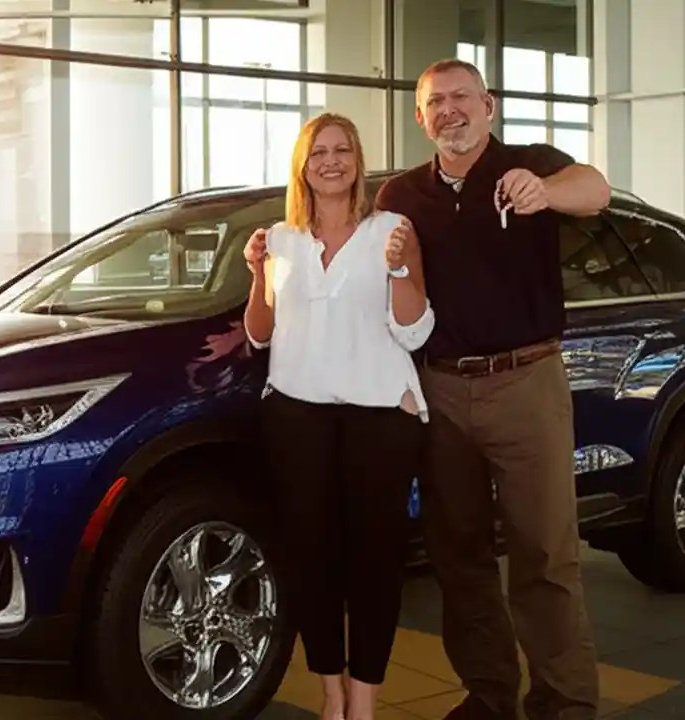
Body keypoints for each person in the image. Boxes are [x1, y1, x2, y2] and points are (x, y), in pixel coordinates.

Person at [374, 58, 609, 720]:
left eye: (461, 97)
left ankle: (564, 702)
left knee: (544, 553)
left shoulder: (529, 163)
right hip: (442, 392)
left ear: (489, 105)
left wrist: (546, 191)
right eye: (435, 102)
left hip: (526, 382)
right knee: (460, 556)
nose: (450, 110)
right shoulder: (400, 195)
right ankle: (488, 694)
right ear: (420, 118)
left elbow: (595, 190)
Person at [245, 112, 434, 720]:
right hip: (299, 412)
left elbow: (415, 330)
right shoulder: (280, 239)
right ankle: (330, 693)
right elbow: (259, 332)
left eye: (342, 150)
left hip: (379, 411)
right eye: (318, 151)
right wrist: (256, 275)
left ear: (357, 160)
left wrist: (402, 268)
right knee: (311, 559)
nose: (331, 160)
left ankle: (365, 700)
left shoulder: (392, 230)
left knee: (374, 562)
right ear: (303, 164)